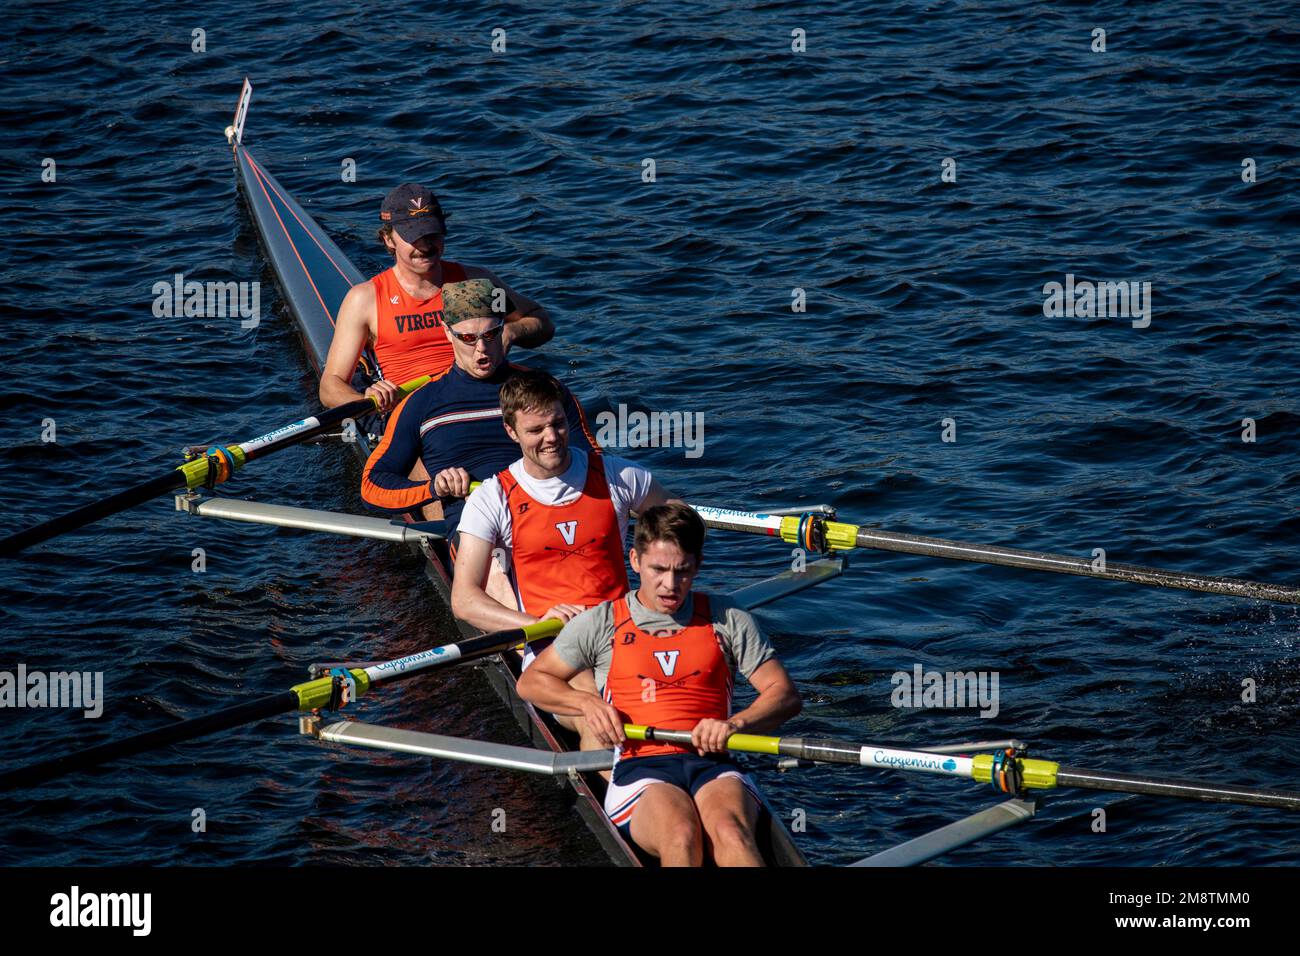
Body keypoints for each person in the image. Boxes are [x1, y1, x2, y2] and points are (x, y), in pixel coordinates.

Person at [517, 503, 801, 867]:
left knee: (730, 833)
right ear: (634, 561)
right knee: (681, 835)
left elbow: (785, 695)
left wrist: (735, 724)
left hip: (712, 761)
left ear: (698, 564)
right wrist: (586, 704)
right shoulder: (602, 622)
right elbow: (532, 682)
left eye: (682, 571)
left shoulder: (727, 617)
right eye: (658, 569)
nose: (670, 584)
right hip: (641, 767)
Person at [451, 370, 677, 634]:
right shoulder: (492, 498)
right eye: (536, 430)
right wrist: (538, 625)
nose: (551, 437)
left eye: (557, 423)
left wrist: (654, 571)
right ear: (511, 431)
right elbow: (464, 601)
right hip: (549, 639)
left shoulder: (619, 476)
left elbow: (683, 523)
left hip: (619, 631)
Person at [361, 279, 594, 529]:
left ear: (504, 328)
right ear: (447, 333)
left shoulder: (546, 389)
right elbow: (373, 486)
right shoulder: (420, 404)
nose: (481, 348)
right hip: (476, 526)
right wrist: (433, 488)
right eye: (469, 338)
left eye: (491, 334)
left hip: (549, 514)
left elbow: (593, 463)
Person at [319, 183, 554, 412]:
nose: (425, 245)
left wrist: (512, 332)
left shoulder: (476, 282)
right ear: (388, 240)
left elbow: (541, 321)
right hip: (417, 411)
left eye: (432, 234)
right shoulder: (365, 300)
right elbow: (330, 386)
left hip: (483, 396)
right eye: (414, 236)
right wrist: (366, 398)